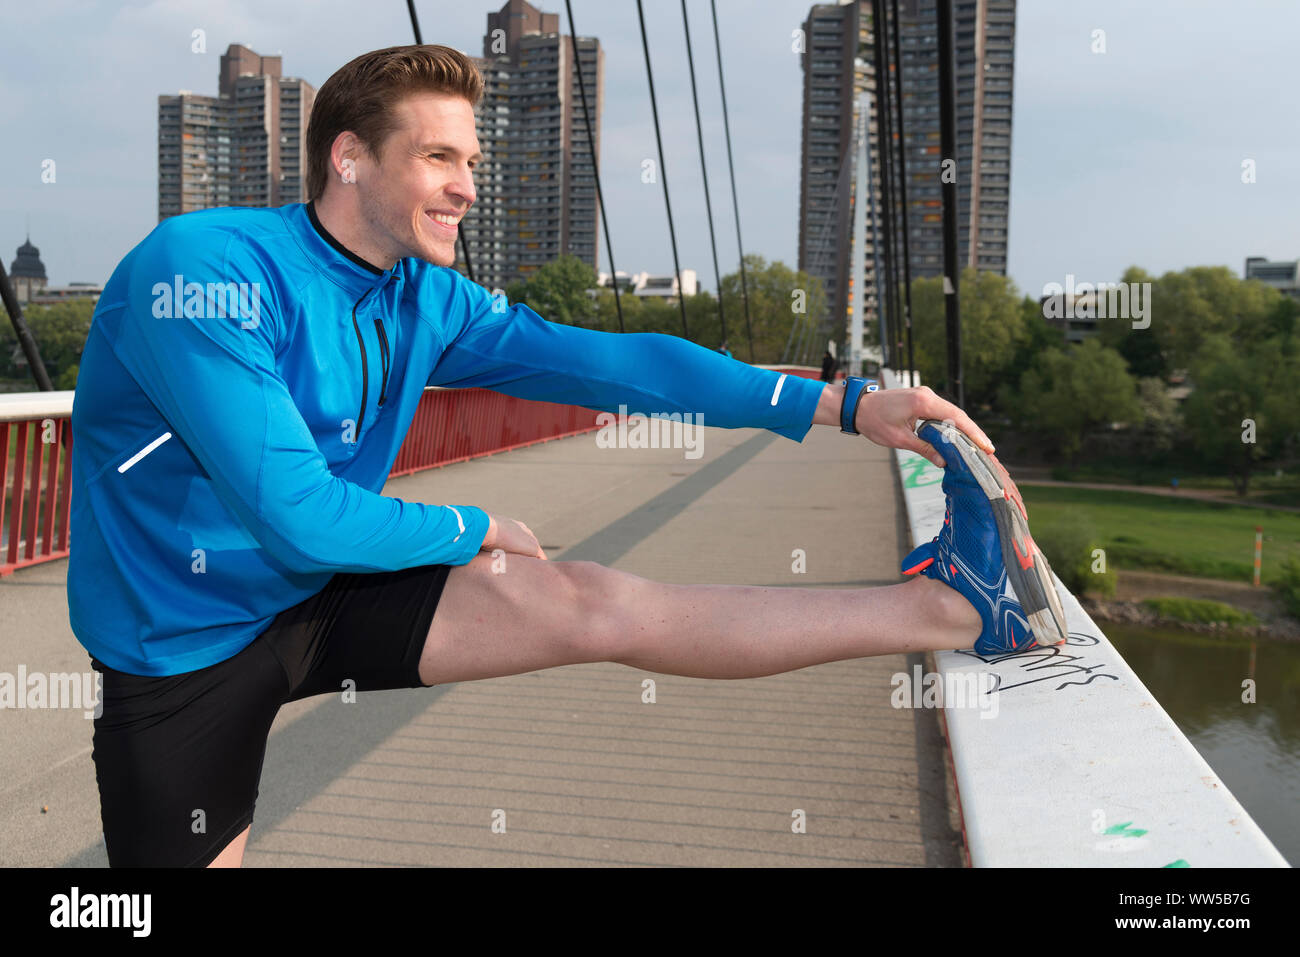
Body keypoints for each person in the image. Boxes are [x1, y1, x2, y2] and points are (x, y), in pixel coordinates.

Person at [69, 45, 1050, 868]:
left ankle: (957, 608)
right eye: (439, 157)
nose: (466, 185)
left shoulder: (426, 296)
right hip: (184, 648)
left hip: (323, 589)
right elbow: (296, 511)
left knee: (591, 602)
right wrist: (471, 525)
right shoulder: (205, 272)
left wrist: (836, 403)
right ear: (349, 160)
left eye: (473, 159)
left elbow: (612, 362)